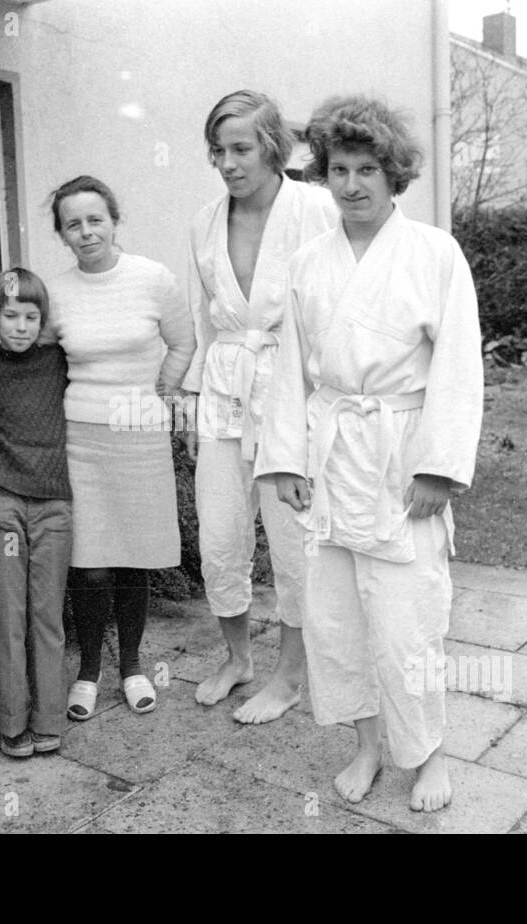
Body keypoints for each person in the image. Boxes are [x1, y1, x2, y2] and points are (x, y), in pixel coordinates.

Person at [254, 96, 483, 812]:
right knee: (336, 618)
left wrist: (439, 466)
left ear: (394, 175)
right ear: (323, 174)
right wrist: (285, 457)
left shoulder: (435, 254)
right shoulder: (307, 262)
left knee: (407, 616)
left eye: (368, 170)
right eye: (339, 170)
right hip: (330, 456)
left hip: (401, 455)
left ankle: (428, 755)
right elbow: (290, 366)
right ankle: (365, 745)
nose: (352, 185)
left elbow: (458, 366)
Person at [182, 90, 337, 723]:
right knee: (219, 535)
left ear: (273, 146)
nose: (227, 163)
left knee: (293, 539)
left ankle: (290, 676)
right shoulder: (202, 222)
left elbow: (334, 312)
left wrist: (323, 410)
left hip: (291, 390)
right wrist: (193, 397)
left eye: (241, 149)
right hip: (223, 388)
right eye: (218, 151)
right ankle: (238, 656)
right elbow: (199, 319)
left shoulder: (317, 210)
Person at [39, 175, 196, 721]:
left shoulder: (152, 279)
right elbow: (41, 365)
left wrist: (162, 392)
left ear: (113, 220)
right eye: (72, 225)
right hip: (80, 440)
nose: (85, 233)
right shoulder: (54, 292)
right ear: (62, 234)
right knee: (89, 564)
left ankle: (131, 665)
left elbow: (184, 341)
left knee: (134, 558)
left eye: (94, 220)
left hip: (140, 439)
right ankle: (88, 671)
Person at [0, 267, 72, 759]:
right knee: (7, 616)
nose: (21, 326)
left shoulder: (58, 363)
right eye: (10, 315)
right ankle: (12, 722)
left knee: (47, 615)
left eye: (32, 316)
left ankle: (48, 718)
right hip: (2, 503)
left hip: (54, 501)